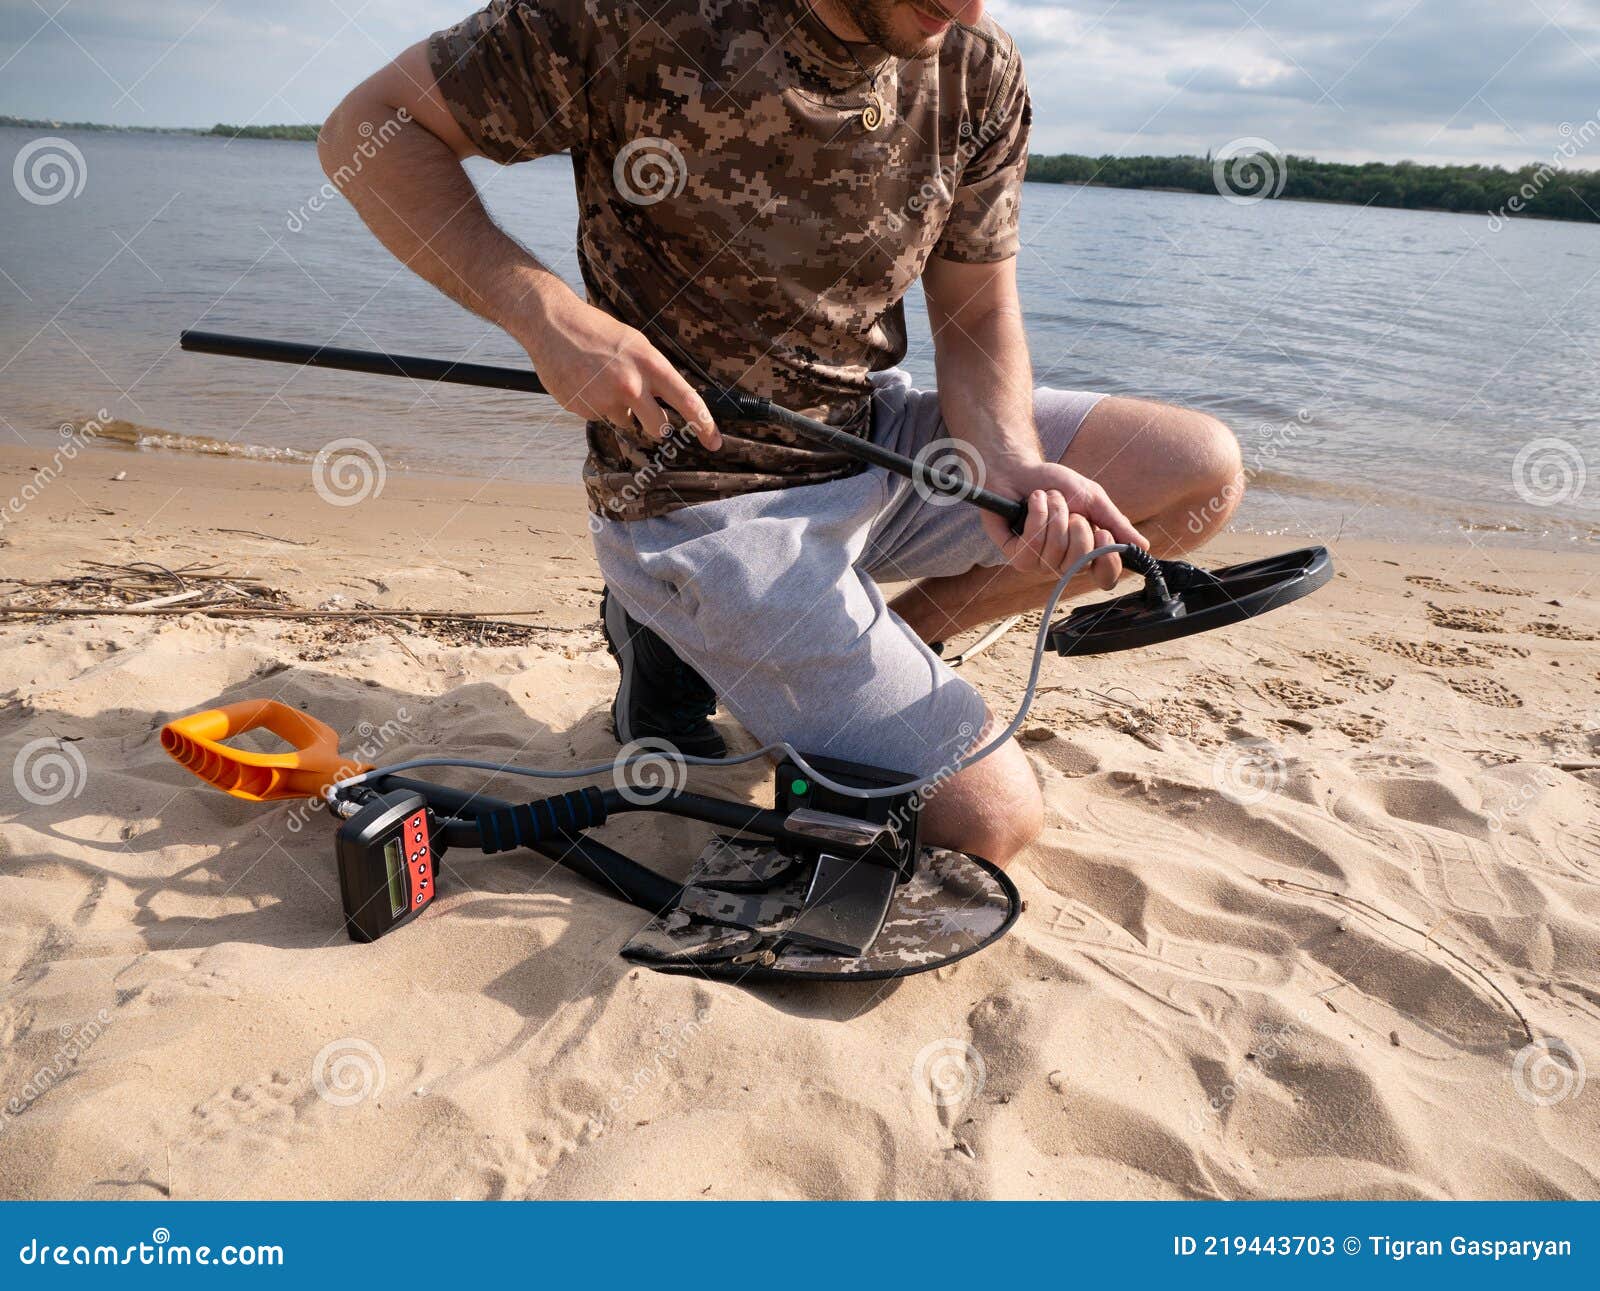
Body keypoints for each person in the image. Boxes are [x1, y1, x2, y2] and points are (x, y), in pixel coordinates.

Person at [318, 0, 1242, 864]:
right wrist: (545, 315)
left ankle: (893, 639)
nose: (966, 10)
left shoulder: (975, 60)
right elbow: (370, 129)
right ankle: (678, 627)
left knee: (1200, 473)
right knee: (990, 823)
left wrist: (1013, 467)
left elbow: (977, 311)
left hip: (872, 439)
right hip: (702, 499)